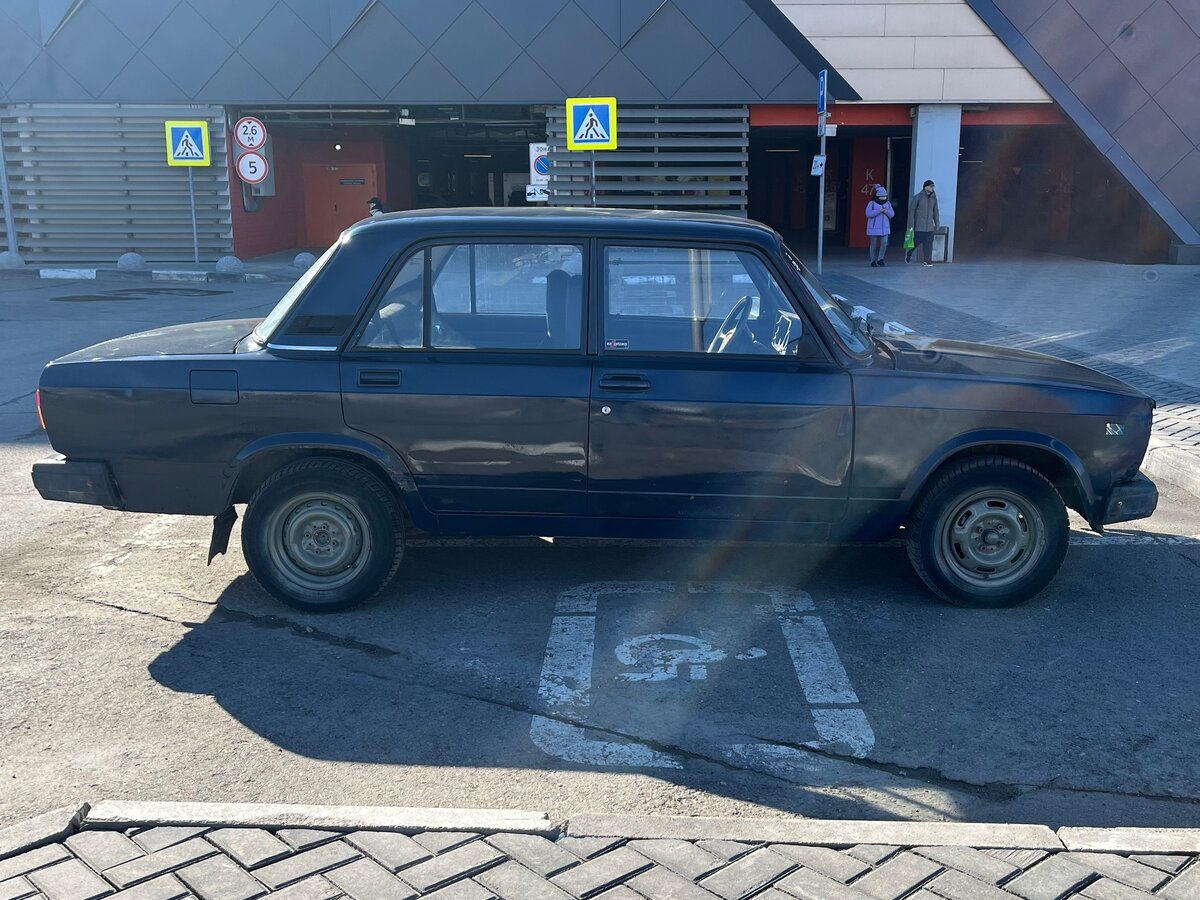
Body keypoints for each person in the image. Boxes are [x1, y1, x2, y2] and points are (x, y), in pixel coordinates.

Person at [906, 179, 940, 266]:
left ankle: (927, 261)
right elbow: (912, 212)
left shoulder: (934, 199)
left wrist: (937, 223)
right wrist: (911, 225)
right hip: (919, 226)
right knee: (916, 243)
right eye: (931, 186)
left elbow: (935, 211)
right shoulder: (917, 197)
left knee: (928, 244)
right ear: (926, 187)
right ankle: (909, 254)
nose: (932, 188)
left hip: (929, 226)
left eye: (933, 186)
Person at [865, 185, 894, 267]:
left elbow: (892, 214)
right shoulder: (871, 203)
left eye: (884, 196)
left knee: (884, 243)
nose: (883, 198)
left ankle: (881, 259)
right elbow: (868, 214)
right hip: (874, 228)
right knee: (873, 245)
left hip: (885, 228)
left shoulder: (888, 203)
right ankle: (873, 260)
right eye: (881, 197)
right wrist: (879, 211)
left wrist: (886, 211)